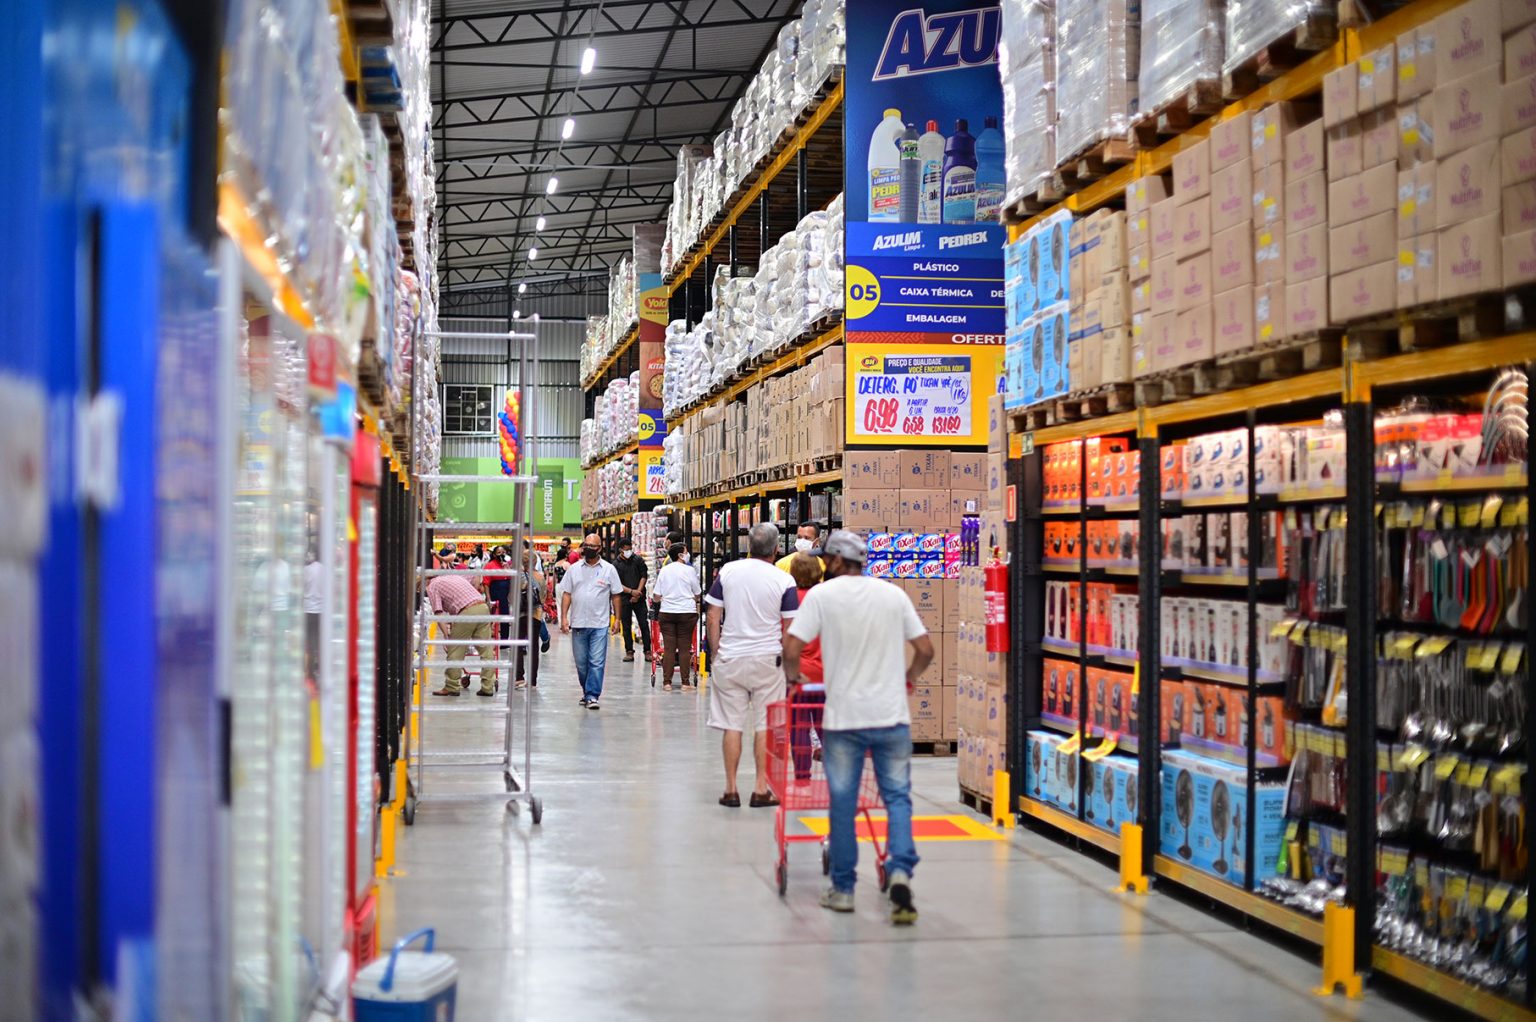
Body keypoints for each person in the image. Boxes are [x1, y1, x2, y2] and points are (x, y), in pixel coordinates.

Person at [782, 529, 933, 924]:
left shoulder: (822, 597)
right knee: (897, 798)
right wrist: (909, 678)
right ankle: (899, 872)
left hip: (844, 720)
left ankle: (845, 890)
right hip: (891, 716)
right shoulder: (892, 595)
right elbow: (925, 650)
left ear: (833, 561)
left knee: (844, 804)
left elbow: (792, 647)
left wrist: (795, 679)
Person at [704, 522, 798, 809]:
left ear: (748, 546)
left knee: (731, 725)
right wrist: (789, 665)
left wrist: (716, 650)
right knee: (765, 725)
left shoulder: (728, 572)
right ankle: (760, 788)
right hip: (768, 660)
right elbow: (790, 626)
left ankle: (731, 789)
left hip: (730, 658)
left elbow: (712, 613)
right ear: (776, 548)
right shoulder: (784, 580)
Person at [558, 533, 623, 709]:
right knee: (581, 663)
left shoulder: (609, 569)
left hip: (599, 624)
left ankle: (593, 695)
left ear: (599, 549)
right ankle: (587, 691)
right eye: (585, 545)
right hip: (578, 622)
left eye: (592, 547)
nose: (588, 549)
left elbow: (616, 595)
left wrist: (617, 619)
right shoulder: (574, 569)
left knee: (596, 661)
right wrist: (564, 617)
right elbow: (567, 594)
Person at [427, 566, 498, 698]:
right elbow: (476, 576)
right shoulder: (455, 576)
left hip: (467, 612)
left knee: (455, 649)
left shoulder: (431, 586)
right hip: (482, 606)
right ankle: (488, 687)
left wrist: (446, 635)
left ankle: (452, 686)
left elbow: (439, 613)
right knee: (486, 650)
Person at [785, 553, 825, 782]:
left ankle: (802, 775)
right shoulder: (825, 598)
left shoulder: (790, 600)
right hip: (825, 672)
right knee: (824, 724)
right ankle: (835, 770)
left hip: (798, 673)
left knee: (799, 724)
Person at [651, 542, 702, 690]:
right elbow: (697, 592)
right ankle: (685, 683)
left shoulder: (664, 571)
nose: (688, 554)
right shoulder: (689, 571)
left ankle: (667, 683)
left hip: (667, 613)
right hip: (687, 613)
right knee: (685, 648)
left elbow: (656, 596)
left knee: (669, 648)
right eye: (686, 551)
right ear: (680, 555)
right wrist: (693, 598)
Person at [614, 537, 653, 663]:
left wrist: (638, 592)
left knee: (644, 624)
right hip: (625, 599)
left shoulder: (638, 560)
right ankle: (629, 651)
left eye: (630, 549)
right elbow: (617, 584)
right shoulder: (616, 565)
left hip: (639, 598)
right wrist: (631, 592)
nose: (629, 551)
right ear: (621, 550)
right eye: (626, 549)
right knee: (626, 626)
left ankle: (648, 650)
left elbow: (643, 576)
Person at [514, 547, 544, 690]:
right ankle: (532, 681)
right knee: (534, 647)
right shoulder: (541, 576)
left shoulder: (518, 576)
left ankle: (519, 677)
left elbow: (513, 596)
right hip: (536, 615)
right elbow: (543, 597)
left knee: (519, 645)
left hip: (521, 614)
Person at [303, 549, 324, 679]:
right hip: (321, 610)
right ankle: (320, 668)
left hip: (308, 609)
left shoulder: (306, 570)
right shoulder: (324, 569)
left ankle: (309, 671)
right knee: (319, 640)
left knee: (309, 642)